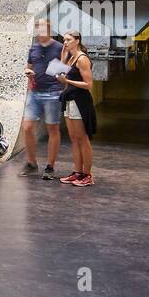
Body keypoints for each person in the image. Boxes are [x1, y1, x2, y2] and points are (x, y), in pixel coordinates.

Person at [22, 16, 64, 179]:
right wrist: (28, 74)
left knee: (52, 129)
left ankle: (50, 166)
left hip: (53, 92)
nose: (39, 33)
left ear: (48, 30)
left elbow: (66, 69)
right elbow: (29, 67)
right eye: (37, 30)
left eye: (42, 30)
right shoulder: (33, 48)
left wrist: (60, 82)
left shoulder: (59, 47)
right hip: (35, 93)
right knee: (27, 127)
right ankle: (32, 163)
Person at [57, 31, 97, 187]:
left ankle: (87, 175)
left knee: (82, 139)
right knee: (73, 138)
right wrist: (63, 56)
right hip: (69, 100)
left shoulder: (82, 59)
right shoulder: (71, 58)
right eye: (64, 40)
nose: (65, 42)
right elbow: (61, 75)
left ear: (77, 40)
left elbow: (88, 85)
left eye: (68, 40)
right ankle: (77, 172)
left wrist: (67, 80)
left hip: (80, 102)